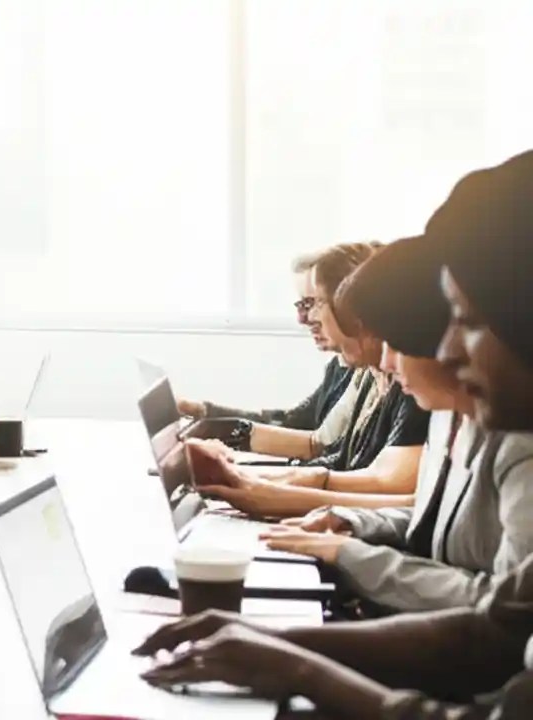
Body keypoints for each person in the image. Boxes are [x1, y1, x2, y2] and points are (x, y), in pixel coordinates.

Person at [134, 149, 533, 718]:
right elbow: (493, 632)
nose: (444, 351)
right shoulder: (464, 417)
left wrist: (299, 656)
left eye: (467, 323)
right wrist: (273, 642)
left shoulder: (513, 442)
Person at [260, 234, 533, 613]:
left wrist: (350, 556)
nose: (385, 363)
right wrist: (351, 523)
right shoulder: (447, 418)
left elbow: (503, 612)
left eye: (395, 342)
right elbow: (432, 525)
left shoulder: (518, 440)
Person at [186, 243, 431, 518]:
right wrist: (248, 479)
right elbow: (328, 449)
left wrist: (270, 490)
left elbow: (388, 485)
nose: (306, 318)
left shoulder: (412, 384)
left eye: (312, 303)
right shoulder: (365, 372)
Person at [178, 249, 359, 431]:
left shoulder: (367, 376)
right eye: (302, 305)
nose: (304, 318)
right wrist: (202, 411)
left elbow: (318, 444)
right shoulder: (338, 368)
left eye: (312, 303)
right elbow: (291, 422)